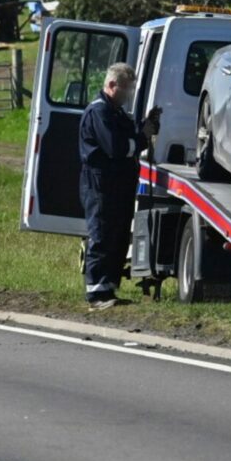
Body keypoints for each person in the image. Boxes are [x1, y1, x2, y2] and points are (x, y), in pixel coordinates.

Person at [78, 62, 161, 310]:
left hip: (118, 184)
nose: (128, 95)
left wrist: (145, 128)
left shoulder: (116, 112)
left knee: (118, 235)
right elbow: (117, 147)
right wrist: (141, 138)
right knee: (101, 234)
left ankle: (109, 288)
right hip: (100, 184)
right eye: (126, 89)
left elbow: (130, 140)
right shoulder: (99, 112)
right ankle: (96, 293)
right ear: (112, 85)